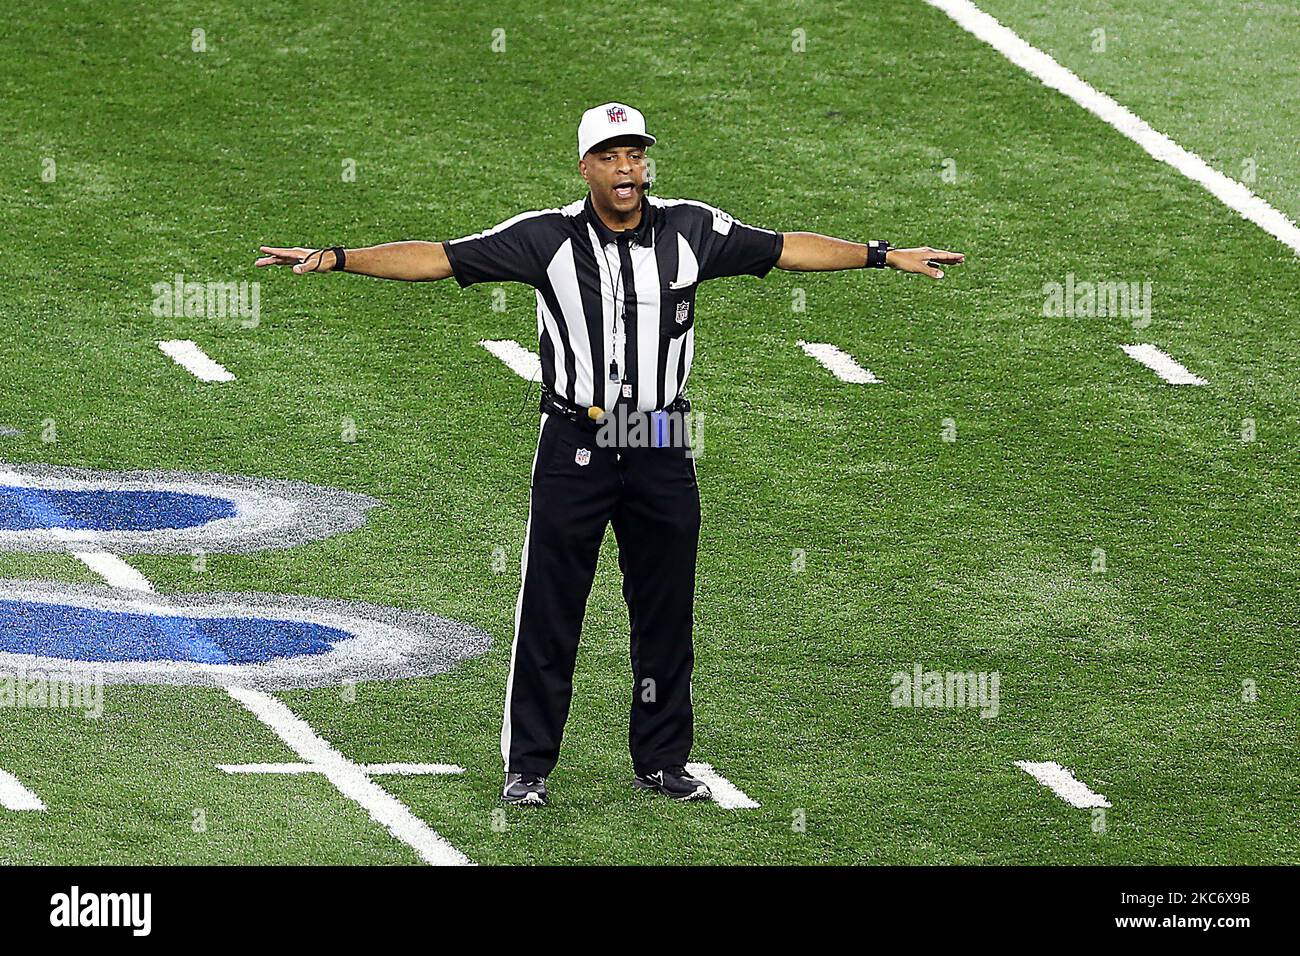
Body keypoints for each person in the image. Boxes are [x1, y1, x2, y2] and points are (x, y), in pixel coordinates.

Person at [256, 101, 964, 807]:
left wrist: (881, 255)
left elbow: (785, 248)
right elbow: (440, 259)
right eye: (610, 156)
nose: (626, 168)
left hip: (659, 434)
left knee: (664, 605)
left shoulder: (694, 228)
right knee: (551, 604)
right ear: (585, 167)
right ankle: (529, 765)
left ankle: (662, 760)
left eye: (635, 154)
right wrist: (337, 259)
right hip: (578, 436)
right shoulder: (546, 239)